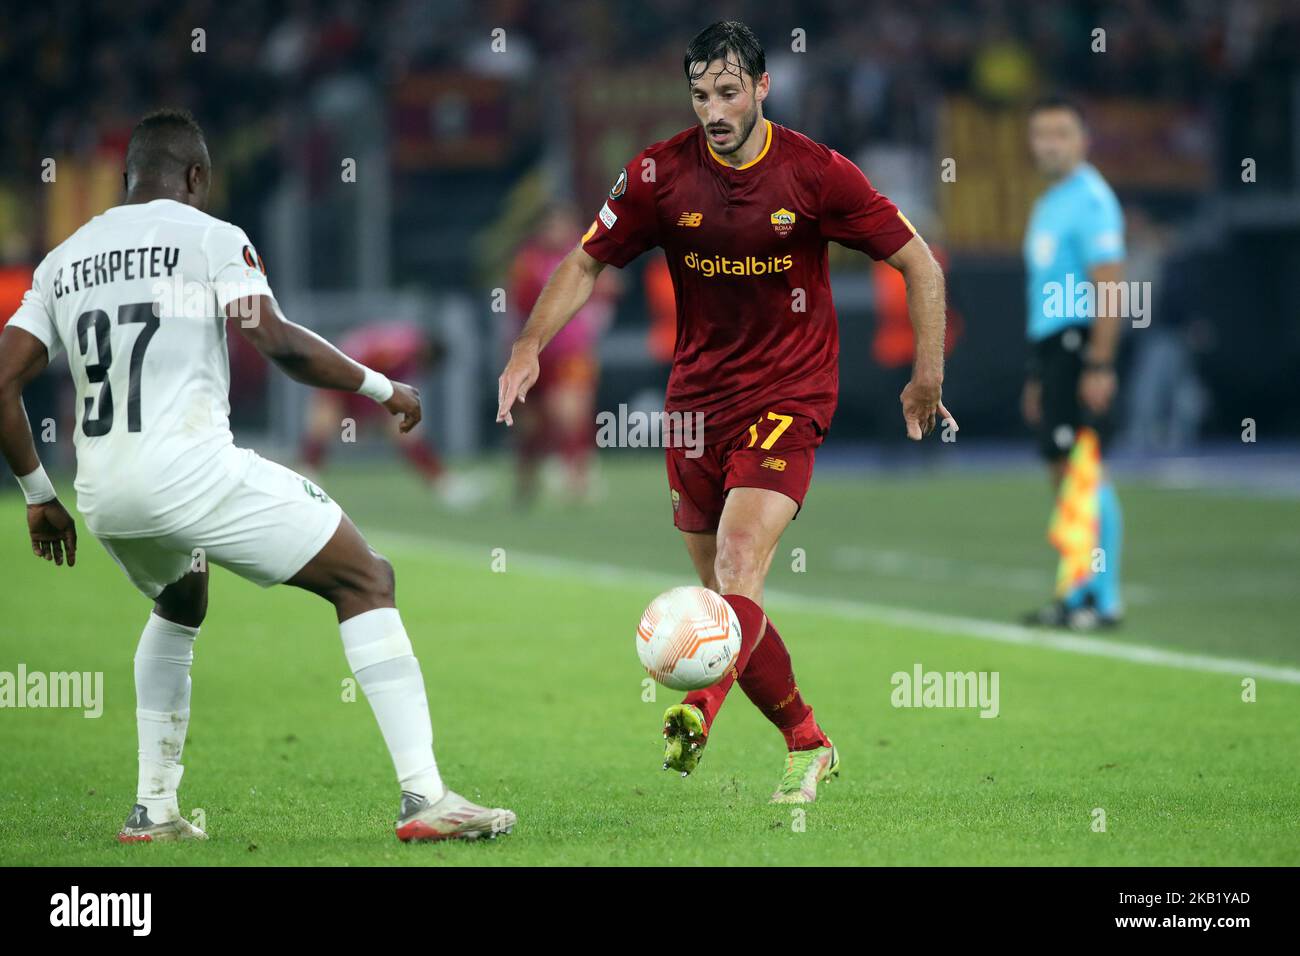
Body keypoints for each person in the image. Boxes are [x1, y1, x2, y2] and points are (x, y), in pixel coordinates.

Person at [0, 109, 515, 843]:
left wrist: (38, 495)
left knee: (182, 597)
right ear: (198, 178)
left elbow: (2, 381)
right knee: (367, 578)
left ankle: (154, 809)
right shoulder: (214, 238)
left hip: (103, 492)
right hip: (192, 471)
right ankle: (425, 797)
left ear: (127, 180)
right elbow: (274, 340)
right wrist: (381, 387)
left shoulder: (64, 259)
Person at [496, 22, 953, 803]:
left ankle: (698, 709)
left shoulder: (815, 173)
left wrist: (927, 374)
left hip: (788, 393)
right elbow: (584, 260)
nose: (714, 109)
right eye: (701, 94)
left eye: (729, 92)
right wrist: (529, 345)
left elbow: (919, 260)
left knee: (740, 564)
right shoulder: (656, 175)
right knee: (727, 604)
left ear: (763, 88)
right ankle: (808, 742)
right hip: (695, 405)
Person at [1020, 96, 1126, 630]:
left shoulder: (1091, 201)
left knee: (1084, 471)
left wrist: (1100, 363)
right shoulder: (1050, 202)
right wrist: (1039, 374)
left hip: (1079, 343)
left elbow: (1109, 287)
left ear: (1084, 140)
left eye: (1061, 133)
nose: (1050, 143)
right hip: (1053, 348)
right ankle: (1075, 589)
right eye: (1041, 134)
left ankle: (1100, 600)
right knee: (1066, 473)